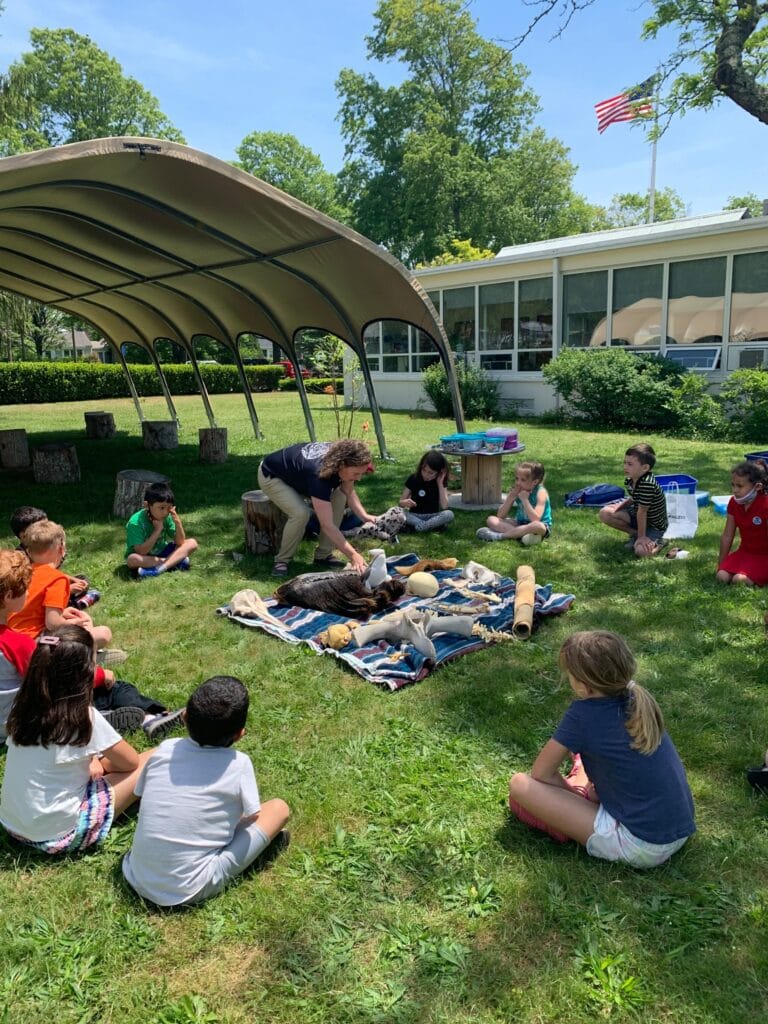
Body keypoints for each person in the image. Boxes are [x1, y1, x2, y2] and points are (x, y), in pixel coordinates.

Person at [508, 630, 695, 868]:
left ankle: (565, 826)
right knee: (583, 762)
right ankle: (581, 794)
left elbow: (541, 774)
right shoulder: (637, 702)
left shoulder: (582, 715)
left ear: (584, 687)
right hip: (677, 830)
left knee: (519, 786)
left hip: (641, 845)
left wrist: (575, 798)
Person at [122, 675, 290, 907]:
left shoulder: (164, 750)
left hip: (136, 873)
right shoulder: (239, 764)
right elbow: (252, 816)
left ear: (185, 717)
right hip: (189, 888)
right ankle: (258, 850)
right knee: (278, 809)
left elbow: (142, 792)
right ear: (240, 734)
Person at [0, 625, 153, 854]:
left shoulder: (21, 707)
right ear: (83, 672)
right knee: (153, 758)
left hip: (12, 824)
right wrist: (103, 763)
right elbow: (129, 763)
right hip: (57, 835)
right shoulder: (82, 716)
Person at [258, 440, 377, 577]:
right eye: (356, 474)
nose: (359, 478)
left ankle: (323, 555)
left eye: (361, 474)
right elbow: (327, 525)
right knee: (300, 513)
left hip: (300, 476)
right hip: (273, 476)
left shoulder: (341, 459)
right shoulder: (318, 474)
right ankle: (282, 560)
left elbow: (348, 492)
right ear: (342, 465)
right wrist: (353, 555)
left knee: (339, 497)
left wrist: (364, 516)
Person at [7, 520, 114, 649]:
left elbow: (32, 613)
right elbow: (52, 623)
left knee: (83, 619)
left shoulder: (23, 573)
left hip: (12, 641)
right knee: (103, 633)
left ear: (28, 552)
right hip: (36, 644)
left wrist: (63, 614)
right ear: (61, 549)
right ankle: (84, 659)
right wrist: (74, 622)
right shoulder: (57, 579)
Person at [11, 505, 96, 608]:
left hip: (48, 586)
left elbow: (50, 574)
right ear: (23, 535)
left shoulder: (42, 549)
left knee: (82, 579)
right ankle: (74, 603)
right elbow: (32, 590)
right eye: (42, 526)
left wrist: (72, 579)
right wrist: (67, 589)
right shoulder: (20, 561)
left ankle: (72, 599)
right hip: (34, 599)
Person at [598, 442, 668, 557]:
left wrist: (642, 538)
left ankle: (660, 542)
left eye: (630, 464)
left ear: (645, 468)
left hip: (654, 525)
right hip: (638, 518)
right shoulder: (630, 479)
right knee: (605, 513)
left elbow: (642, 512)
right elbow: (633, 498)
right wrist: (617, 508)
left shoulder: (648, 484)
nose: (625, 467)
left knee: (641, 552)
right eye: (624, 462)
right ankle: (635, 535)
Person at [125, 482, 199, 579]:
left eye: (169, 508)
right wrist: (157, 530)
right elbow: (141, 551)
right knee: (132, 559)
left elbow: (180, 542)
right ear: (147, 505)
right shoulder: (135, 522)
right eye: (161, 508)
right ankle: (175, 562)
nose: (165, 512)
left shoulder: (167, 516)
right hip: (145, 557)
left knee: (192, 543)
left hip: (162, 551)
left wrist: (178, 522)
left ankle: (157, 570)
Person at [0, 550, 35, 743]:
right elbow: (46, 681)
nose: (28, 592)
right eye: (25, 589)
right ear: (8, 596)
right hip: (15, 725)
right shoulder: (16, 643)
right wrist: (98, 676)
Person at [716, 460, 768, 586]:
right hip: (744, 552)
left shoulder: (765, 505)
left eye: (739, 486)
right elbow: (728, 536)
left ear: (757, 487)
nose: (734, 490)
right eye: (733, 485)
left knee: (739, 580)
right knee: (721, 576)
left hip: (764, 556)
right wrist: (721, 565)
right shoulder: (734, 503)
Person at [477, 460, 551, 545]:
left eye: (523, 480)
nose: (518, 483)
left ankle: (501, 536)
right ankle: (521, 536)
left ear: (535, 482)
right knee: (491, 520)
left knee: (538, 526)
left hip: (538, 526)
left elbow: (536, 519)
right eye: (517, 479)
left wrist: (525, 500)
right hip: (520, 523)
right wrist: (511, 497)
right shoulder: (518, 490)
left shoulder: (541, 493)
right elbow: (500, 515)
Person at [399, 450, 455, 533]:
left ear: (439, 472)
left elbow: (444, 506)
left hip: (433, 517)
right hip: (414, 516)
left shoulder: (440, 481)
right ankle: (428, 527)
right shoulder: (413, 478)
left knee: (449, 514)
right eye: (424, 470)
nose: (426, 475)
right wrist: (404, 502)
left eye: (430, 473)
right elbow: (400, 503)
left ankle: (420, 527)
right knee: (396, 511)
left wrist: (440, 483)